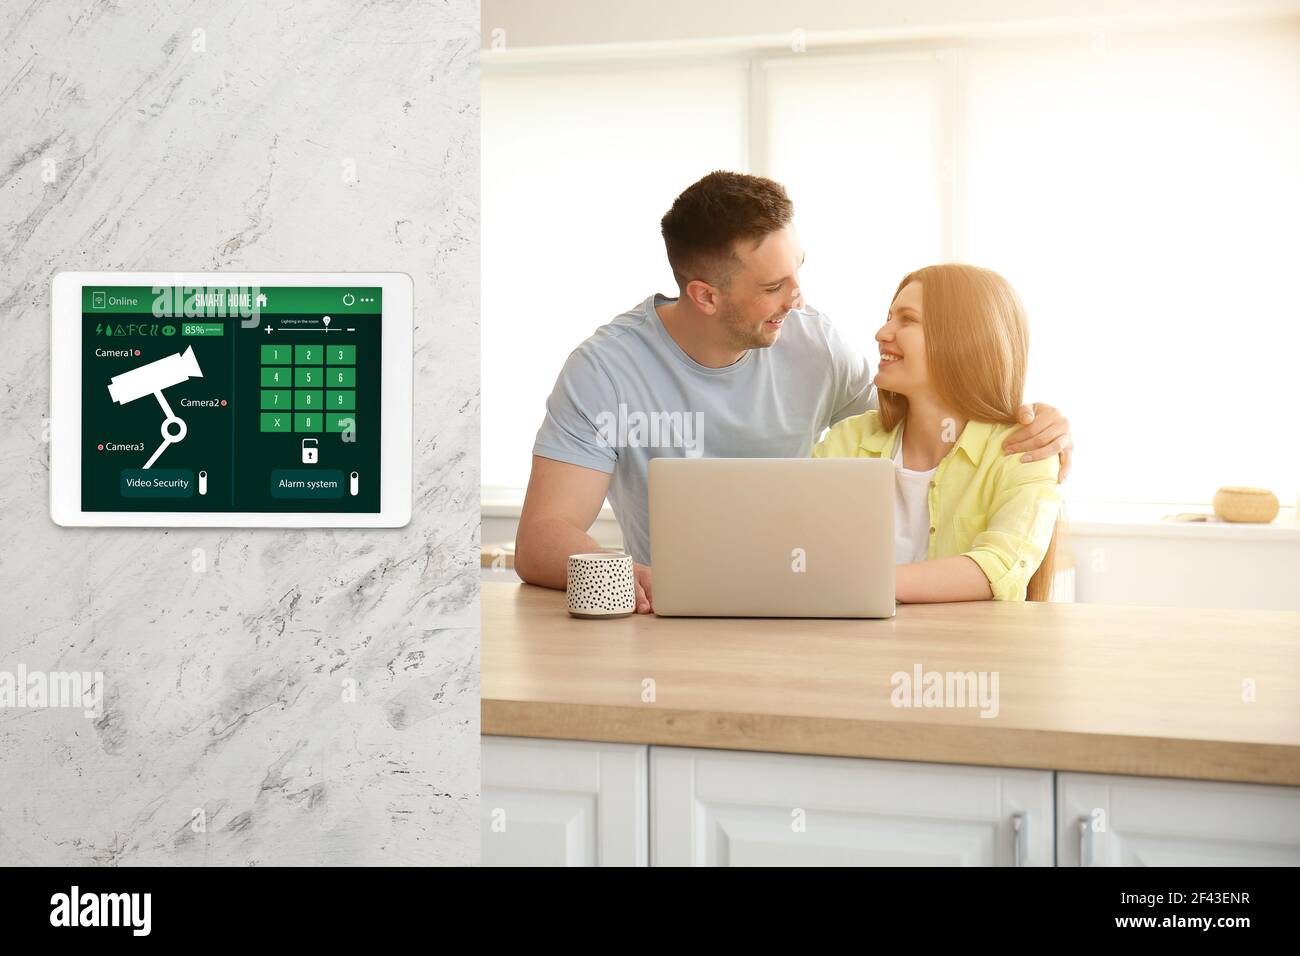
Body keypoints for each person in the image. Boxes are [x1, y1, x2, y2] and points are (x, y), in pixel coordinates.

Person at [515, 171, 1073, 612]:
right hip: (676, 618)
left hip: (811, 617)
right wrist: (630, 577)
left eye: (797, 272)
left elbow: (912, 418)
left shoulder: (817, 346)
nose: (798, 299)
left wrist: (1036, 420)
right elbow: (541, 538)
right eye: (773, 286)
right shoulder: (605, 371)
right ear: (705, 296)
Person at [815, 264, 1062, 602]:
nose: (882, 333)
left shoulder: (1025, 452)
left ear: (962, 337)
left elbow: (998, 568)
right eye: (889, 317)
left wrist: (853, 581)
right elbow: (800, 544)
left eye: (907, 320)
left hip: (963, 651)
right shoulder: (848, 439)